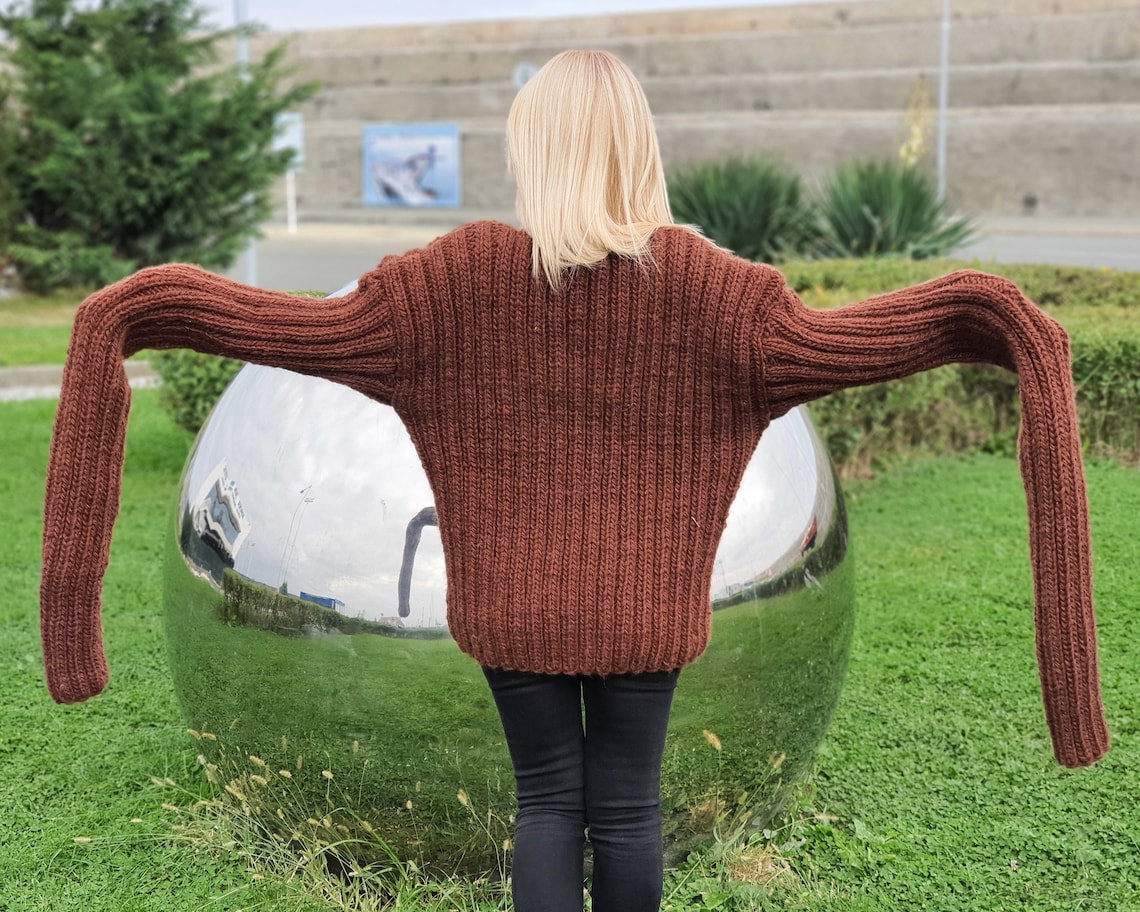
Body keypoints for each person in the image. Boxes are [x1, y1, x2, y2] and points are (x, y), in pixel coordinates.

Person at [38, 50, 1108, 912]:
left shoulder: (445, 287)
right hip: (648, 614)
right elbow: (953, 324)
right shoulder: (721, 297)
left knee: (546, 805)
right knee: (631, 811)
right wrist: (1009, 322)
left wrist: (115, 322)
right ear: (639, 149)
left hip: (513, 615)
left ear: (532, 152)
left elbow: (195, 313)